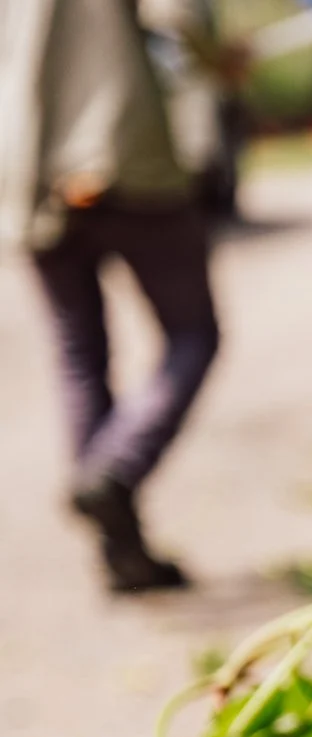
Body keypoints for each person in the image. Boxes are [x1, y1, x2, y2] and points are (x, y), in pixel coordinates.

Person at [1, 0, 219, 593]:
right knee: (194, 333)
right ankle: (115, 474)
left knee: (80, 353)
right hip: (120, 152)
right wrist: (222, 63)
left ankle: (120, 551)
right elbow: (180, 18)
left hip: (28, 166)